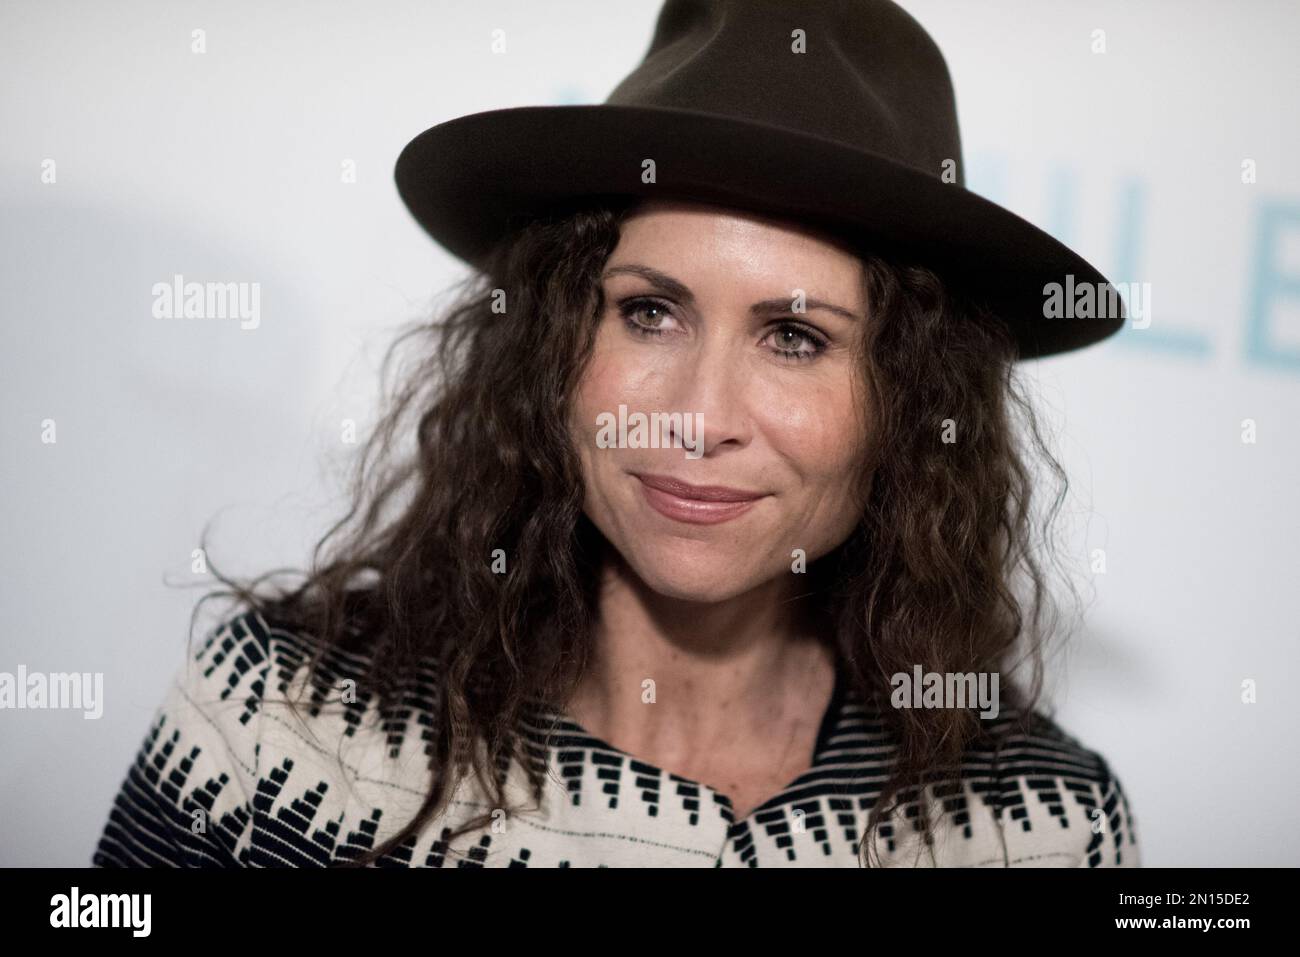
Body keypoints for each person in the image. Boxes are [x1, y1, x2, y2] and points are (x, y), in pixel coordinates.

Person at [92, 0, 1138, 867]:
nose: (695, 416)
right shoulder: (279, 714)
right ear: (551, 345)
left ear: (906, 405)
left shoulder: (1043, 825)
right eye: (649, 312)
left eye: (793, 336)